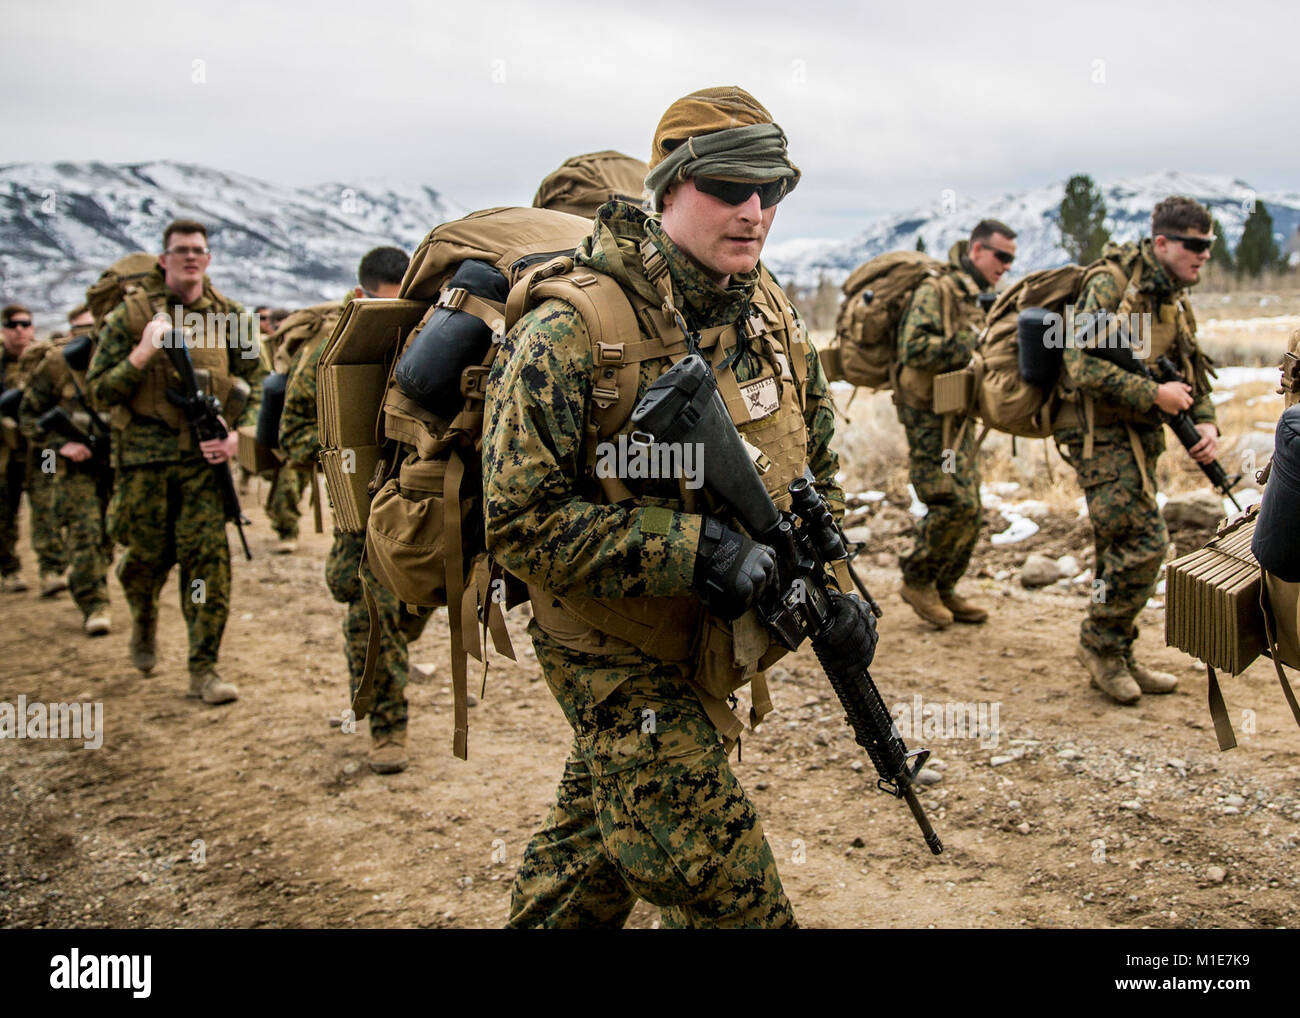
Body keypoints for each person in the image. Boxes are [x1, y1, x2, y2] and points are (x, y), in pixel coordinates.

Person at [483, 86, 841, 928]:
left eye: (774, 190)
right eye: (729, 188)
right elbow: (519, 523)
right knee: (725, 879)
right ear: (670, 185)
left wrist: (836, 592)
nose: (755, 211)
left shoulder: (769, 310)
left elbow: (811, 463)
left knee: (594, 852)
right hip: (606, 639)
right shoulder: (572, 332)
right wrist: (697, 550)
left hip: (703, 633)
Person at [86, 218, 265, 704]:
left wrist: (234, 439)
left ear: (208, 260)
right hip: (143, 465)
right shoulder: (130, 316)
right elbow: (99, 391)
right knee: (142, 562)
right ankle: (143, 616)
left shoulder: (233, 318)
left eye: (198, 250)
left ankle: (203, 669)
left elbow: (260, 388)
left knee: (207, 567)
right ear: (163, 260)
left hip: (205, 468)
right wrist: (142, 353)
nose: (190, 257)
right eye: (180, 250)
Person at [1056, 195, 1219, 704]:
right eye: (1195, 245)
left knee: (1120, 546)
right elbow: (1079, 364)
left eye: (1209, 246)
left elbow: (1189, 362)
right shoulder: (1111, 283)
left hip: (1138, 435)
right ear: (1163, 242)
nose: (1204, 255)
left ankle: (1118, 652)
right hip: (1097, 435)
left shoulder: (1170, 294)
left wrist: (1206, 420)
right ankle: (1099, 646)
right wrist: (1154, 394)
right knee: (1145, 546)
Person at [279, 246, 426, 773]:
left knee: (414, 608)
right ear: (363, 297)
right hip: (362, 510)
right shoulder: (326, 349)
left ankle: (388, 673)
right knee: (373, 614)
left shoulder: (425, 333)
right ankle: (388, 726)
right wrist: (344, 460)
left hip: (415, 505)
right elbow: (292, 434)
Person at [895, 220, 1017, 628]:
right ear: (977, 250)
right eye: (1001, 256)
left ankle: (944, 587)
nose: (1006, 265)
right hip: (929, 413)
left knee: (973, 508)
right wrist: (974, 344)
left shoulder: (982, 295)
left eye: (1012, 259)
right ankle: (917, 579)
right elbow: (913, 347)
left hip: (957, 410)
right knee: (951, 501)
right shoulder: (939, 288)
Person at [19, 305, 113, 634]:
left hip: (120, 463)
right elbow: (28, 417)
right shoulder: (58, 366)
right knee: (85, 531)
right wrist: (62, 447)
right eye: (81, 329)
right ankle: (94, 603)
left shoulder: (127, 358)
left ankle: (87, 574)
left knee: (111, 534)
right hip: (77, 468)